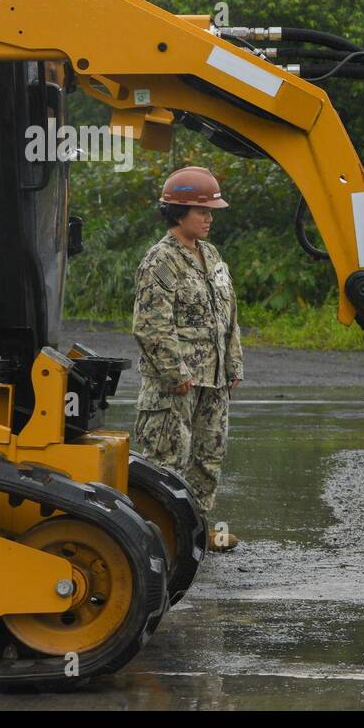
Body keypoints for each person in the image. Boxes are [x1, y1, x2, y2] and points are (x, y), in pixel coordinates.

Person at [132, 166, 243, 552]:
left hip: (212, 382)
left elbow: (227, 315)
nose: (210, 218)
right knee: (165, 462)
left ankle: (195, 534)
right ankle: (156, 537)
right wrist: (175, 372)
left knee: (207, 461)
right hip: (175, 386)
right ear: (179, 213)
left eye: (212, 211)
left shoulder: (211, 255)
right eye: (203, 211)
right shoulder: (160, 261)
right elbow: (150, 326)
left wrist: (233, 366)